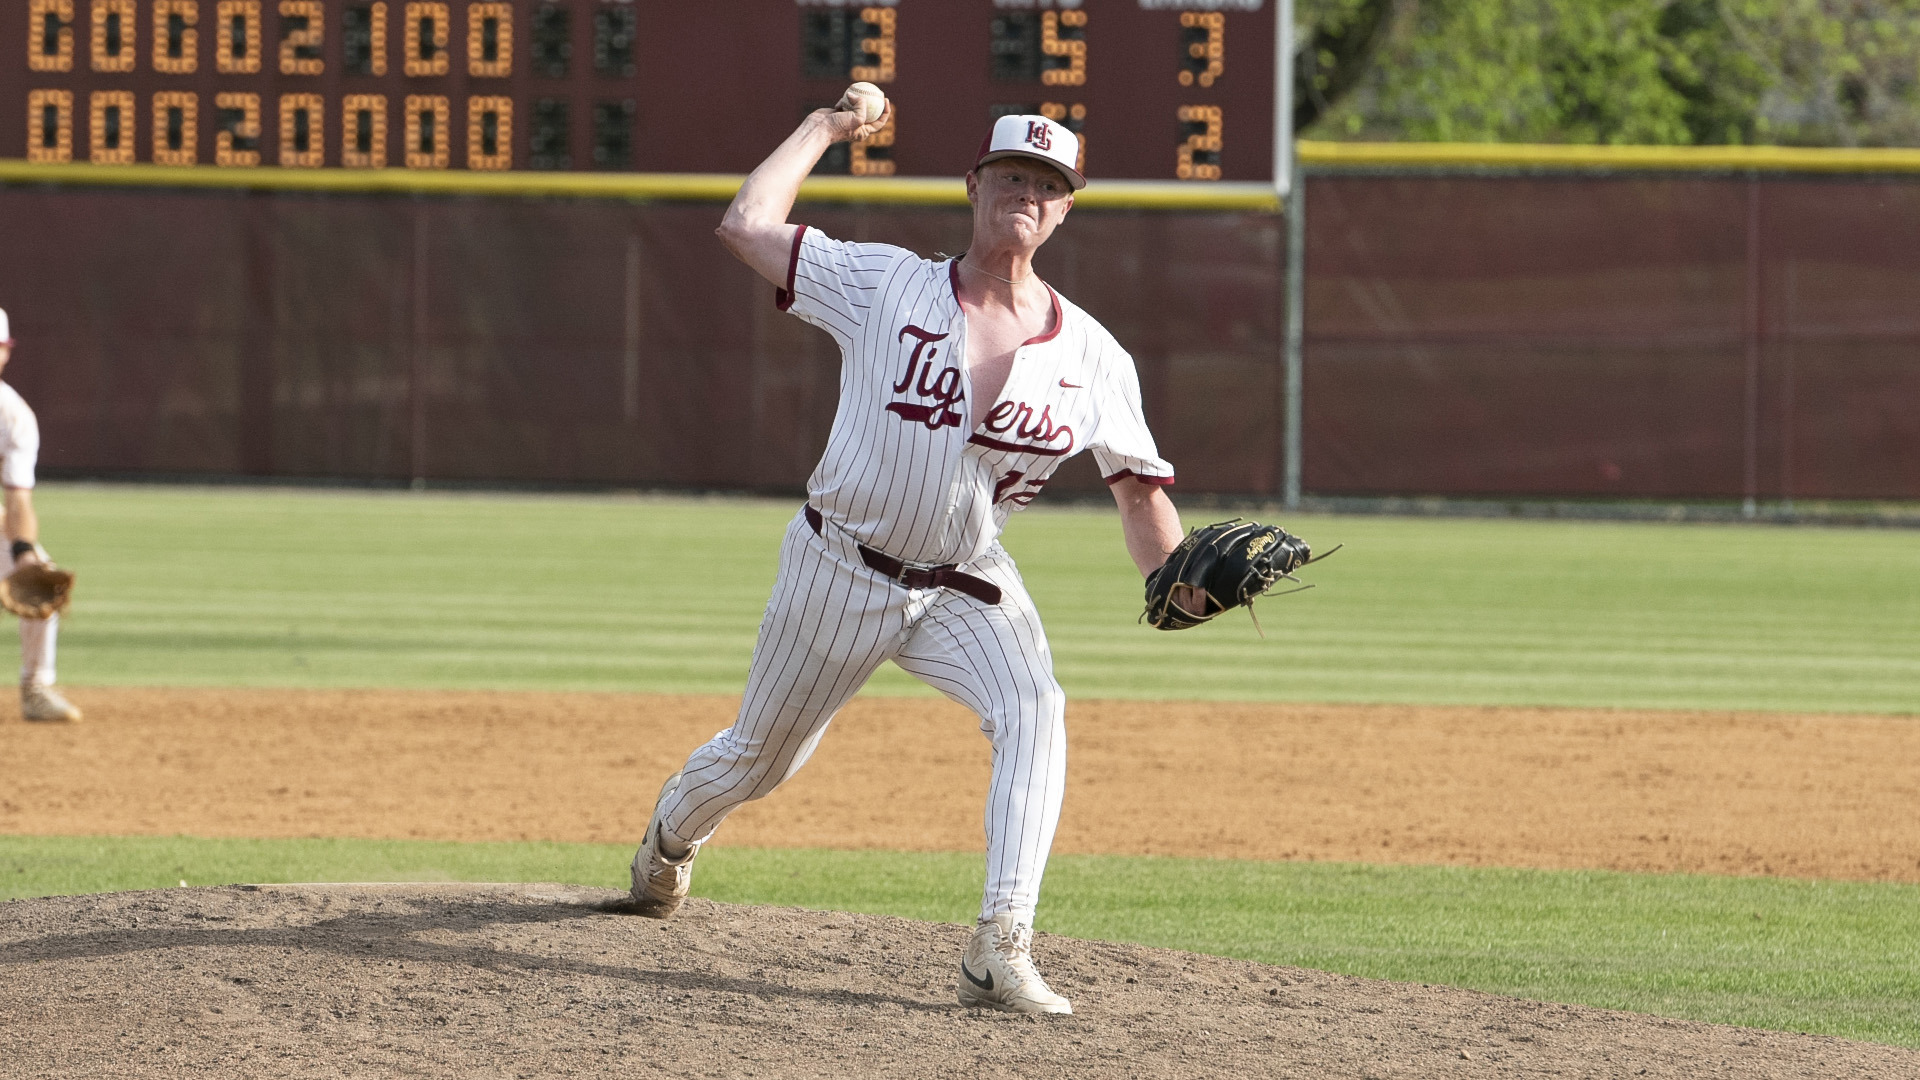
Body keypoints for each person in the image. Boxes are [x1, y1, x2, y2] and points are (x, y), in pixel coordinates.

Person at [628, 105, 1185, 1016]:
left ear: (1064, 210)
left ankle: (1001, 945)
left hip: (967, 579)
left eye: (1048, 185)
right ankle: (670, 840)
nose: (1028, 193)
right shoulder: (883, 283)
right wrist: (822, 127)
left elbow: (1140, 493)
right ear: (974, 186)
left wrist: (1175, 579)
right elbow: (746, 226)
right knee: (759, 762)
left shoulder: (1094, 356)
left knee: (1036, 708)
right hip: (839, 567)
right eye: (1011, 174)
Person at [0, 308, 80, 723]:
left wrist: (23, 552)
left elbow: (18, 499)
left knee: (39, 575)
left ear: (6, 351)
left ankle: (36, 687)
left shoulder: (13, 416)